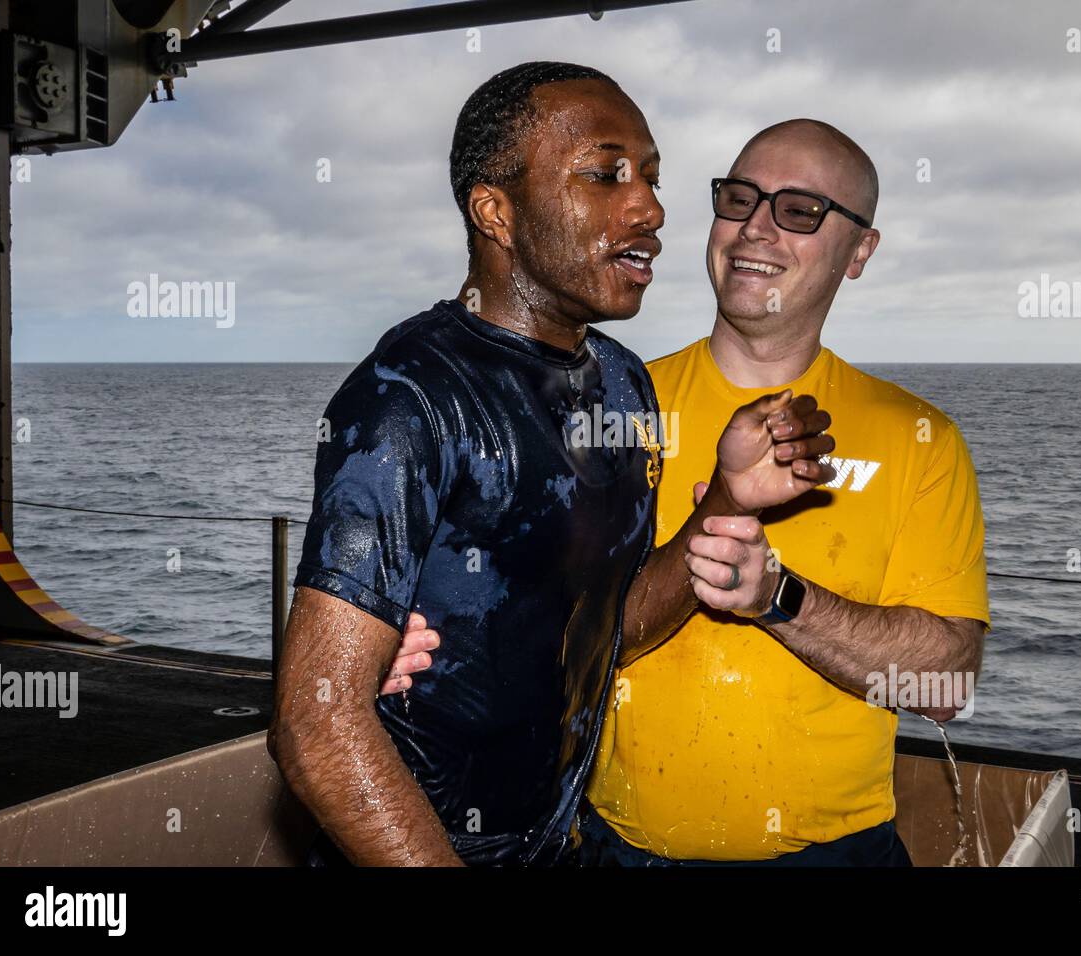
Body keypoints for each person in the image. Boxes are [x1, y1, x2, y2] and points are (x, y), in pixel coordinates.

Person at [267, 64, 836, 867]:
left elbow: (606, 628)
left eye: (650, 177)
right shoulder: (408, 397)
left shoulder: (625, 385)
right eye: (605, 175)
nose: (651, 208)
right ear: (496, 212)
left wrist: (729, 499)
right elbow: (316, 722)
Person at [577, 119, 992, 866]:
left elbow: (945, 681)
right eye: (739, 199)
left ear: (859, 251)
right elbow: (557, 640)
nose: (755, 229)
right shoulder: (609, 407)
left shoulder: (920, 438)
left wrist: (778, 597)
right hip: (612, 847)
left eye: (800, 211)